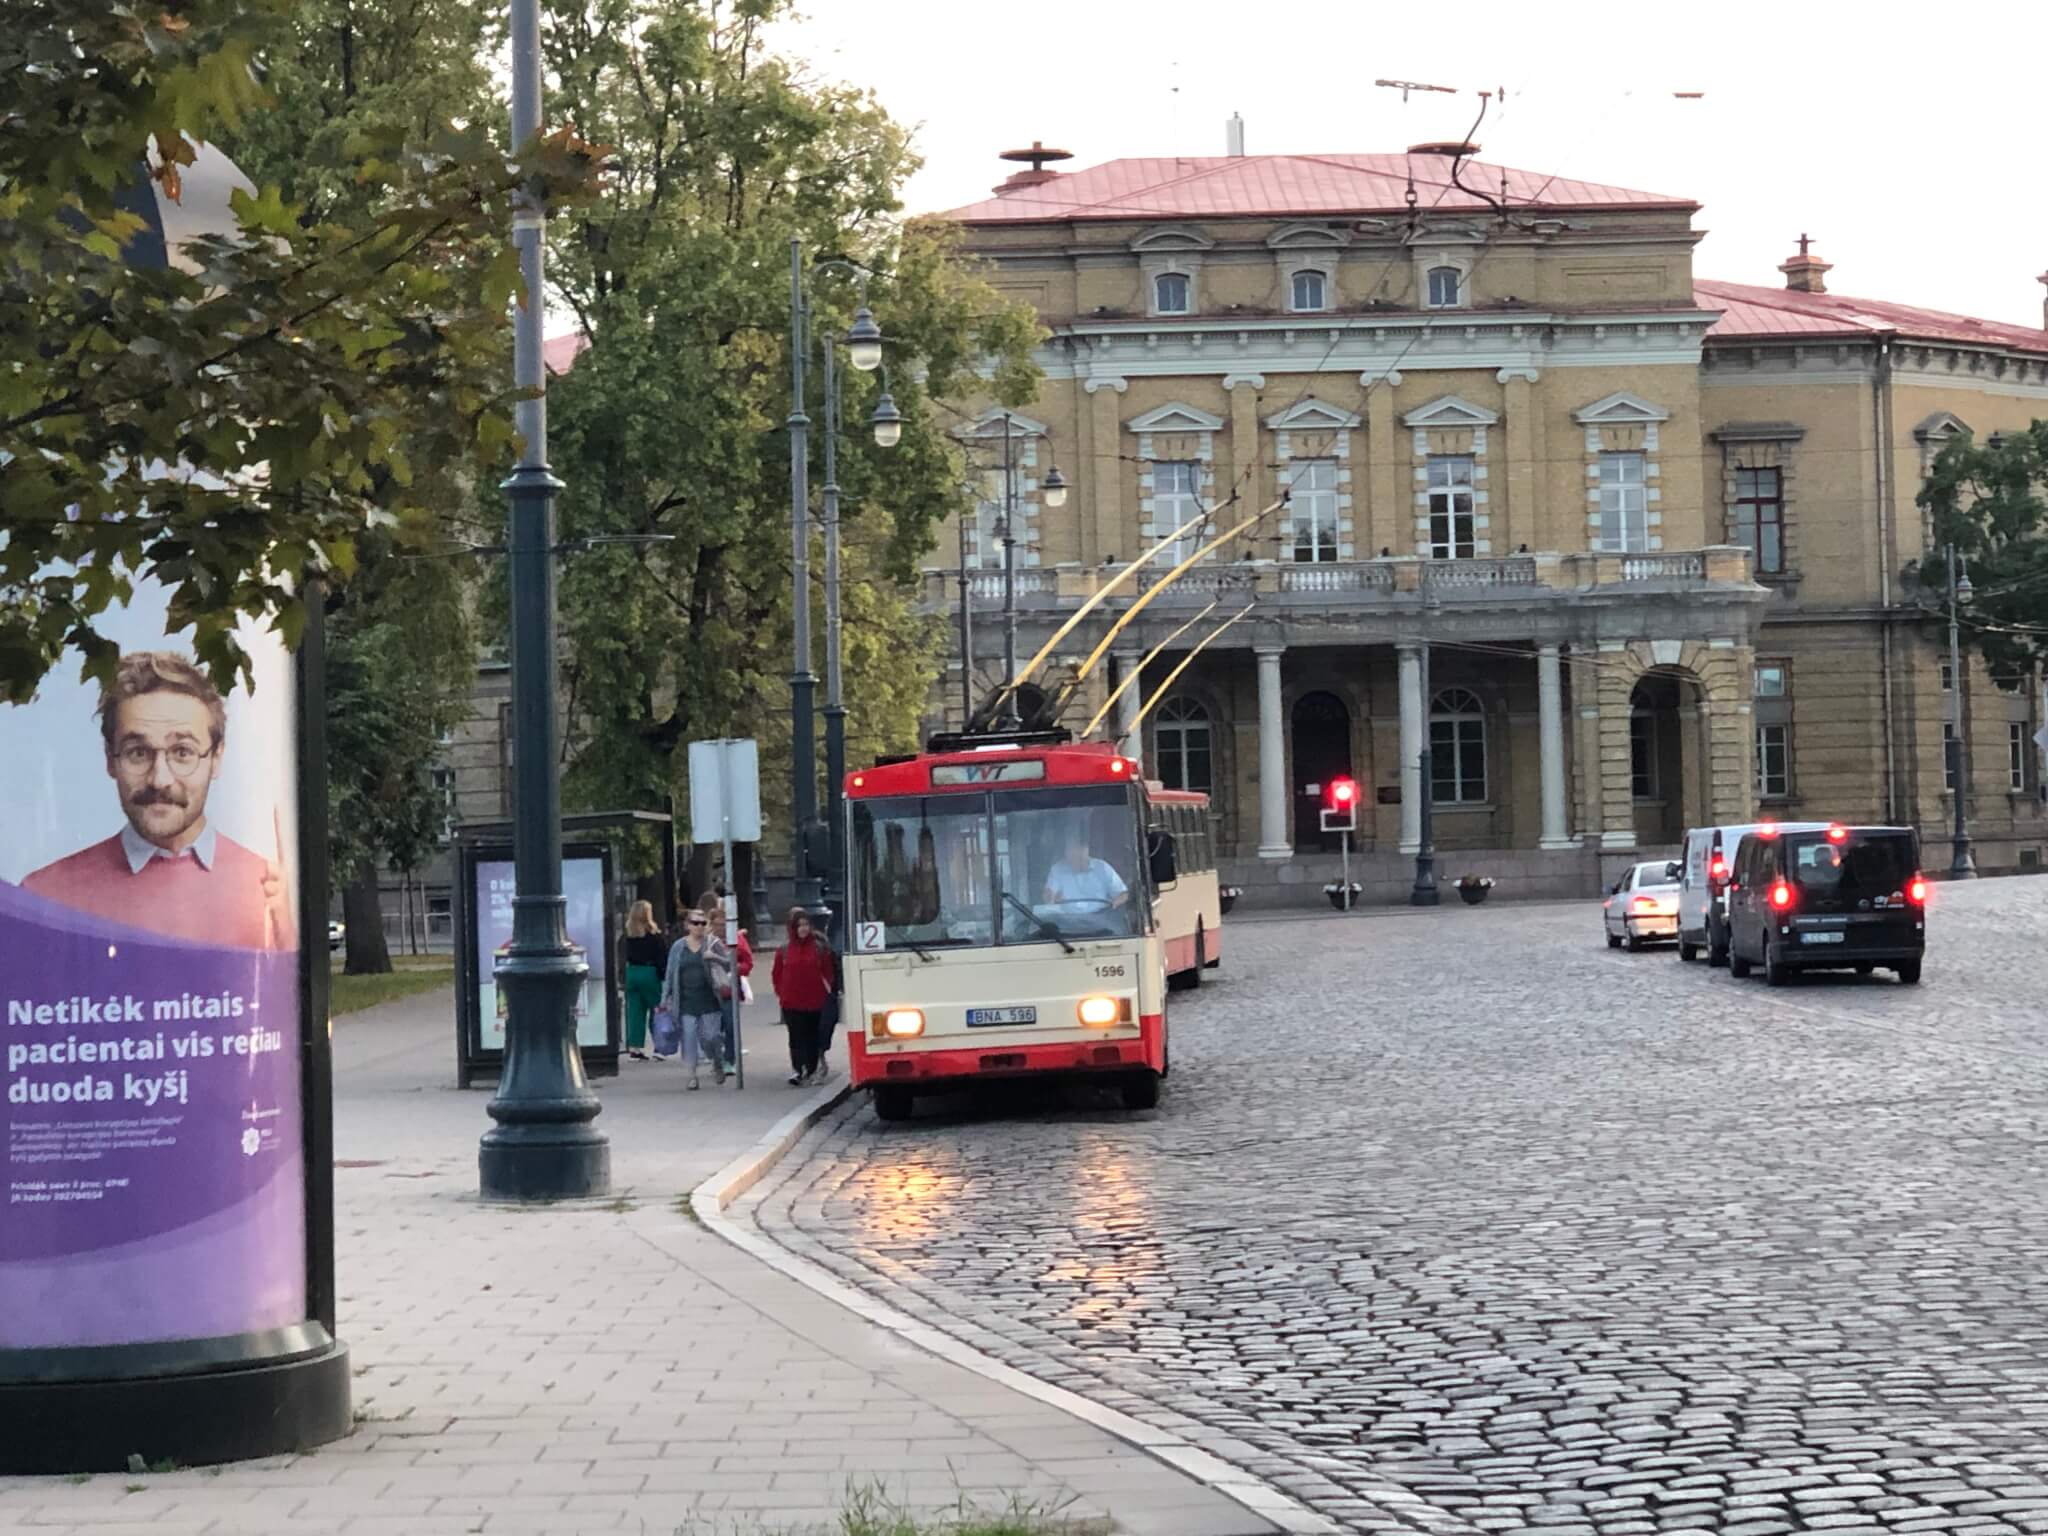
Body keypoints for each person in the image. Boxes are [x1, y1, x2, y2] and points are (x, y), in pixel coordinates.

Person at [22, 650, 293, 949]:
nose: (159, 779)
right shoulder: (45, 897)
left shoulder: (271, 893)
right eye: (138, 752)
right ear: (110, 760)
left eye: (182, 752)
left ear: (216, 759)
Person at [659, 909, 732, 1089]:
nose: (699, 927)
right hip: (685, 1001)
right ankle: (692, 1075)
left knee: (711, 1037)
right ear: (687, 925)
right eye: (695, 923)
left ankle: (716, 1060)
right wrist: (664, 1000)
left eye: (703, 923)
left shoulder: (712, 943)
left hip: (710, 1000)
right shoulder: (678, 947)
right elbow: (670, 974)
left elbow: (730, 964)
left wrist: (713, 957)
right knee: (689, 1039)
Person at [771, 907, 836, 1087]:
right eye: (800, 926)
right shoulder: (784, 950)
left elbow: (828, 971)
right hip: (791, 1001)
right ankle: (798, 1070)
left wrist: (826, 989)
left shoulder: (819, 947)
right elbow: (777, 973)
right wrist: (781, 993)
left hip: (814, 1001)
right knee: (795, 1037)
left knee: (811, 1036)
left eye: (806, 924)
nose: (803, 929)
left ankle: (812, 1067)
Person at [702, 894, 753, 1070]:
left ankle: (729, 1060)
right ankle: (716, 1056)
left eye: (724, 925)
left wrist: (737, 969)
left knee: (731, 1026)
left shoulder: (736, 940)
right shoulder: (706, 941)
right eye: (717, 925)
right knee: (712, 1030)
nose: (721, 928)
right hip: (709, 991)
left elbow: (748, 962)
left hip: (729, 990)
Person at [620, 900, 667, 1061]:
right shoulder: (654, 936)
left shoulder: (627, 936)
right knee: (657, 1010)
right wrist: (663, 976)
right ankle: (659, 1046)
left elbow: (622, 957)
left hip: (632, 972)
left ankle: (634, 1048)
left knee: (635, 1011)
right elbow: (661, 958)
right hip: (649, 972)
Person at [1042, 833, 1129, 912]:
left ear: (1086, 850)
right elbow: (1049, 893)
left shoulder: (1102, 868)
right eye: (1069, 849)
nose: (1073, 854)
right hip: (1068, 921)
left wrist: (1113, 905)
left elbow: (1123, 894)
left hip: (1101, 920)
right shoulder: (1058, 869)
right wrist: (1050, 898)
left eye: (1077, 850)